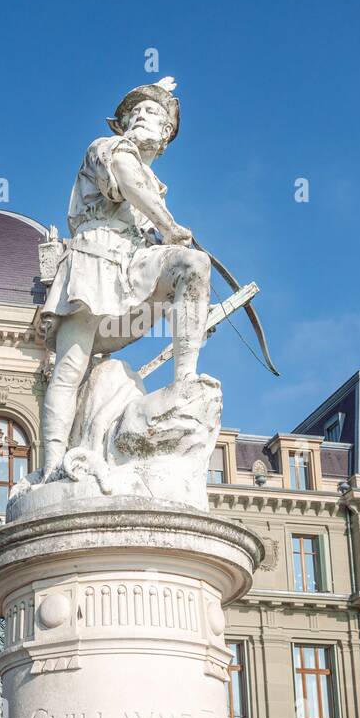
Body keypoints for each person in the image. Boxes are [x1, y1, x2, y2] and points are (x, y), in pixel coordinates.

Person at [38, 77, 210, 474]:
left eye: (154, 114)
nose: (143, 118)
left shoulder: (158, 185)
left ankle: (186, 378)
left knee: (193, 267)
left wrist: (188, 312)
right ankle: (50, 465)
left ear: (166, 135)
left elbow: (148, 219)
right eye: (137, 112)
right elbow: (126, 180)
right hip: (93, 254)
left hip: (132, 263)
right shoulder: (105, 147)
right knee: (70, 367)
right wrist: (168, 225)